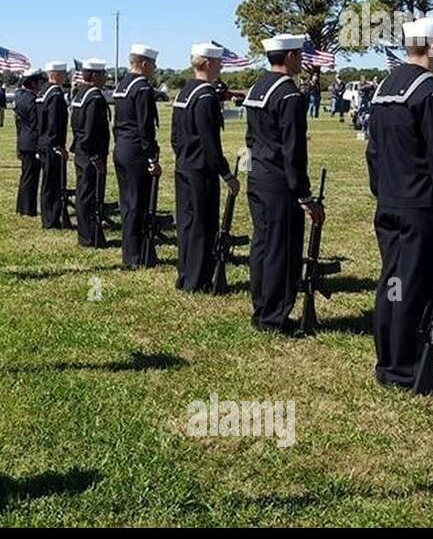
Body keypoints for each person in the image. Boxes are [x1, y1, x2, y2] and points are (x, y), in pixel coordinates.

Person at [367, 17, 433, 391]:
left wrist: (382, 189)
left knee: (393, 282)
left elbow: (373, 152)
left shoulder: (384, 87)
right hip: (419, 205)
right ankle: (406, 367)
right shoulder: (432, 91)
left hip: (390, 199)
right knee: (415, 285)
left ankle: (389, 360)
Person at [243, 34, 320, 334]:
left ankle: (262, 306)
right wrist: (304, 195)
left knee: (262, 245)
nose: (301, 60)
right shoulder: (288, 95)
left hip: (258, 174)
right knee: (281, 249)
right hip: (278, 182)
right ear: (288, 57)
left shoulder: (258, 87)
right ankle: (274, 315)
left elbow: (251, 139)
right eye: (299, 55)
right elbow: (293, 151)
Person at [171, 43, 239, 292]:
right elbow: (211, 143)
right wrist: (227, 174)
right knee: (203, 224)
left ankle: (185, 274)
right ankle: (198, 278)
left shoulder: (184, 92)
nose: (221, 66)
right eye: (219, 62)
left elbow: (175, 137)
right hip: (201, 169)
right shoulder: (206, 96)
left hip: (185, 164)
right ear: (209, 64)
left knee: (187, 222)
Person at [114, 45, 162, 267]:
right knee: (138, 203)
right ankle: (136, 256)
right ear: (143, 64)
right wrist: (151, 156)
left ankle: (132, 251)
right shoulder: (142, 88)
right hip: (136, 151)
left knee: (128, 203)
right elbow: (145, 127)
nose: (155, 67)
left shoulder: (122, 84)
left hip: (122, 147)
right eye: (152, 63)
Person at [71, 60, 110, 247]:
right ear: (94, 75)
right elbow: (91, 130)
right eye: (103, 73)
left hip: (80, 150)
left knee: (83, 192)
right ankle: (90, 235)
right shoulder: (95, 98)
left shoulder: (80, 94)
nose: (105, 77)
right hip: (91, 154)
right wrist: (95, 157)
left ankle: (85, 233)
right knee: (91, 195)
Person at [37, 62, 71, 229]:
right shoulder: (55, 94)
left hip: (42, 142)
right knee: (53, 183)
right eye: (63, 73)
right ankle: (51, 219)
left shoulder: (43, 91)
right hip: (52, 144)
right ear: (55, 74)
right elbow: (55, 122)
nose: (65, 76)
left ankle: (47, 215)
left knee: (47, 182)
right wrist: (58, 146)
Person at [14, 67, 43, 216]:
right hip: (32, 141)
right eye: (38, 82)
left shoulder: (19, 96)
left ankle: (22, 206)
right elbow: (36, 123)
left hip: (23, 139)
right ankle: (28, 208)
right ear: (32, 84)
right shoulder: (32, 99)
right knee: (31, 176)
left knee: (26, 175)